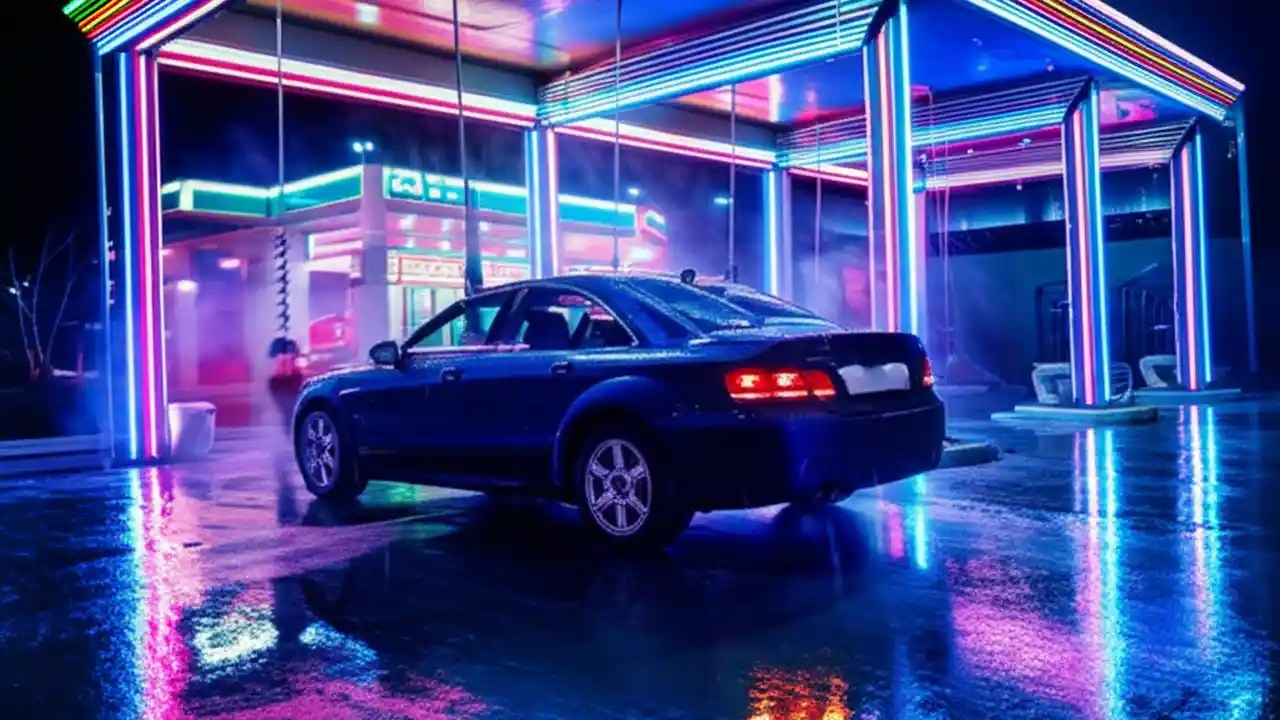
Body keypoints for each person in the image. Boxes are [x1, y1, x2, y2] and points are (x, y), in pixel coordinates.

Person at [267, 337, 305, 433]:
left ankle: (289, 429)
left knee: (288, 409)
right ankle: (290, 429)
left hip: (286, 382)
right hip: (285, 382)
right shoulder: (287, 357)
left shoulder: (281, 356)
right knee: (288, 409)